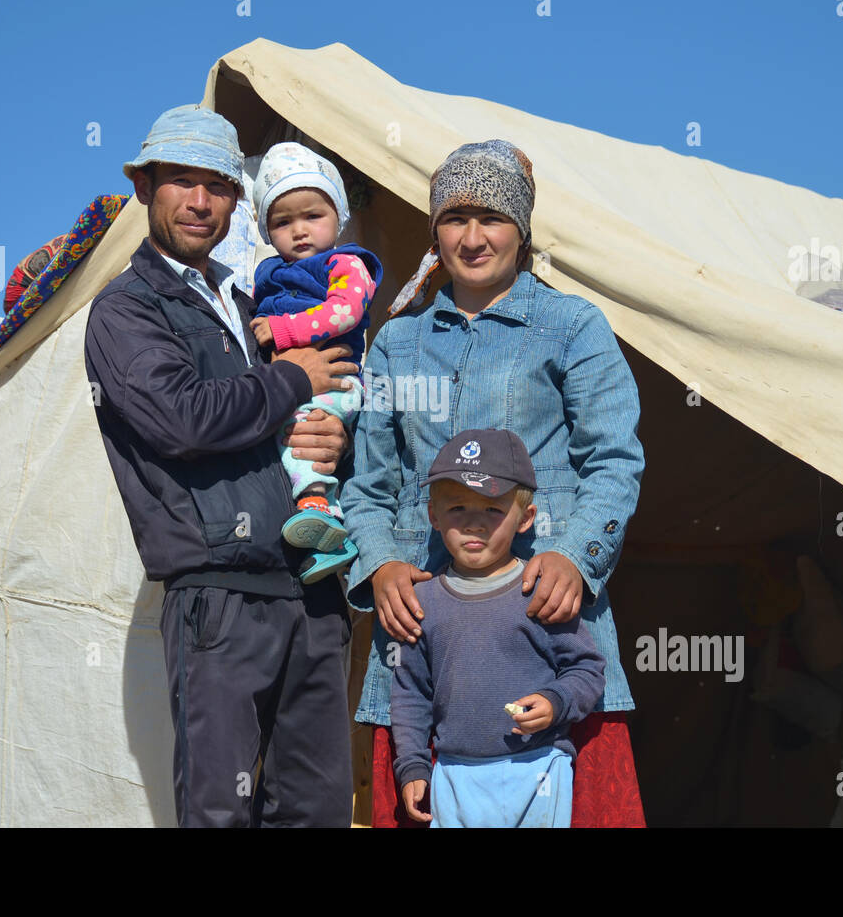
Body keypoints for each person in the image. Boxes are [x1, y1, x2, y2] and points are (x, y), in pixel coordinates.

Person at [341, 139, 649, 828]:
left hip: (547, 625)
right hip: (423, 634)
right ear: (434, 230)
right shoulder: (397, 344)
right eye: (454, 219)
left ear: (523, 228)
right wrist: (382, 562)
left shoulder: (572, 328)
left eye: (493, 218)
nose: (473, 238)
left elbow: (615, 459)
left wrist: (575, 555)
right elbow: (366, 484)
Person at [83, 106, 357, 827]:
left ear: (238, 202)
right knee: (219, 812)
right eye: (181, 181)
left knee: (317, 811)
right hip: (220, 596)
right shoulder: (128, 310)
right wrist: (296, 380)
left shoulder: (255, 299)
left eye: (218, 186)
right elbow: (183, 419)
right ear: (145, 187)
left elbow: (298, 413)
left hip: (315, 591)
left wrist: (332, 439)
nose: (200, 202)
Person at [392, 429, 605, 827]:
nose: (474, 524)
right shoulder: (424, 603)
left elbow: (588, 671)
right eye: (457, 509)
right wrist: (413, 767)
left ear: (525, 518)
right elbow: (410, 694)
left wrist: (555, 701)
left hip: (539, 768)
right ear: (433, 516)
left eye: (492, 510)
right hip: (454, 776)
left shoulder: (540, 594)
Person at [248, 142, 382, 583]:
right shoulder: (267, 274)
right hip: (292, 383)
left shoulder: (344, 263)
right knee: (282, 442)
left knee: (305, 433)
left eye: (313, 216)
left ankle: (315, 505)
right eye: (283, 222)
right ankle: (333, 536)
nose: (299, 231)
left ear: (338, 217)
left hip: (335, 381)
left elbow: (346, 311)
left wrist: (285, 333)